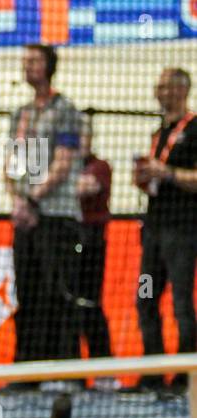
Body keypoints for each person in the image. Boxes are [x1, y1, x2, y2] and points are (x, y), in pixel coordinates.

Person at [4, 45, 84, 375]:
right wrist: (19, 202)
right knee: (27, 292)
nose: (27, 67)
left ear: (49, 66)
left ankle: (64, 370)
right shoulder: (20, 115)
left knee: (58, 291)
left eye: (34, 61)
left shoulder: (65, 109)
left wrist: (34, 200)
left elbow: (63, 164)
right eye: (24, 62)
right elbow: (10, 164)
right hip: (26, 219)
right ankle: (26, 371)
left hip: (57, 215)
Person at [133, 68, 197, 391]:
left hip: (182, 232)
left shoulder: (194, 128)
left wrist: (168, 172)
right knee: (145, 297)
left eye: (163, 86)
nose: (157, 91)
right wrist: (146, 179)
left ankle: (186, 377)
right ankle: (153, 371)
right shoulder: (159, 132)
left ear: (179, 90)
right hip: (153, 233)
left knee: (181, 302)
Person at [75, 119, 114, 369]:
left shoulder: (99, 167)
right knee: (69, 305)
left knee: (90, 303)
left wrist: (57, 181)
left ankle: (104, 366)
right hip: (66, 245)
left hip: (92, 245)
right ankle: (70, 369)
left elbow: (86, 188)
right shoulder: (65, 166)